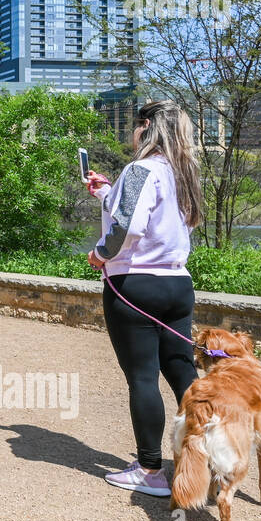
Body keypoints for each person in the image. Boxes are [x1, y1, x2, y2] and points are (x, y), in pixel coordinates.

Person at [85, 99, 204, 498]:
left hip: (135, 285)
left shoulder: (140, 169)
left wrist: (99, 254)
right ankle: (206, 457)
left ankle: (150, 469)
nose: (132, 132)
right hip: (177, 286)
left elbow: (127, 229)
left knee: (142, 377)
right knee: (182, 371)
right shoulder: (183, 173)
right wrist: (106, 192)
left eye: (137, 125)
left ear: (148, 127)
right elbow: (141, 215)